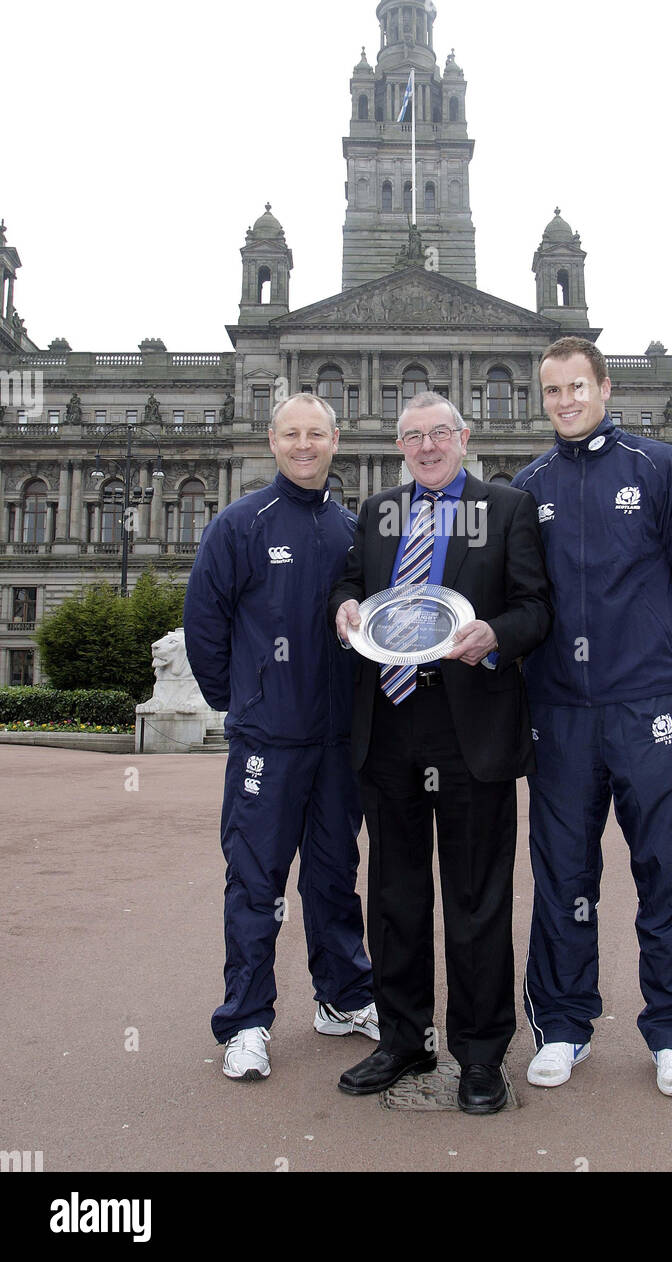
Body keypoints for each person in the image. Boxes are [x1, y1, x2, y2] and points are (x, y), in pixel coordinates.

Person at [512, 336, 672, 1097]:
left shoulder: (658, 468)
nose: (565, 400)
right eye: (553, 390)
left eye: (577, 385)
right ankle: (564, 1025)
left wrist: (657, 655)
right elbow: (524, 603)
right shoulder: (527, 484)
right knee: (563, 872)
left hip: (647, 706)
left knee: (666, 866)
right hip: (561, 712)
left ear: (604, 386)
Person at [330, 392, 551, 1113]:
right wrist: (344, 609)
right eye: (412, 436)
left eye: (439, 434)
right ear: (399, 445)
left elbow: (535, 607)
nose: (426, 447)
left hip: (469, 726)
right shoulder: (373, 513)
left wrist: (497, 637)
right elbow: (354, 584)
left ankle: (481, 1055)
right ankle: (403, 1040)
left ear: (463, 438)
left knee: (477, 896)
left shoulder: (507, 507)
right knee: (393, 894)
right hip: (389, 723)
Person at [184, 393, 377, 1082]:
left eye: (316, 434)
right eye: (291, 434)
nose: (304, 445)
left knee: (334, 877)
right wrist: (243, 701)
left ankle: (344, 998)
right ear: (272, 441)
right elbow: (203, 626)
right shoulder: (239, 524)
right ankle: (246, 1020)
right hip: (268, 739)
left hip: (334, 745)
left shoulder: (354, 530)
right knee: (256, 882)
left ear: (335, 441)